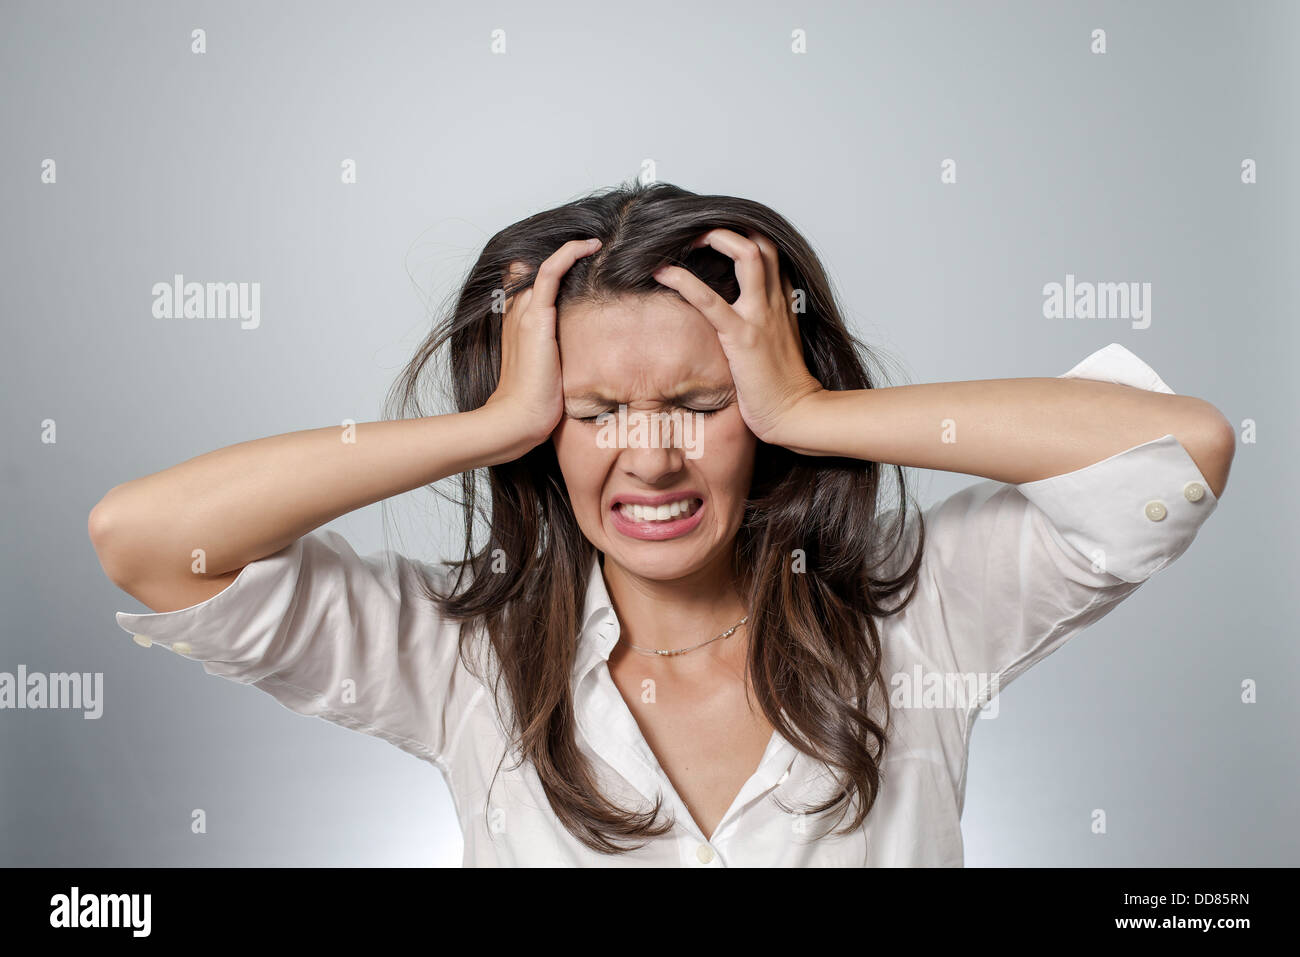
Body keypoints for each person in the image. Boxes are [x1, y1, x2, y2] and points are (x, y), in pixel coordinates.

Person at [89, 181, 1234, 866]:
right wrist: (487, 428)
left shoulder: (922, 613)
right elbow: (145, 539)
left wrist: (814, 408)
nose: (650, 456)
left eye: (699, 405)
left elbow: (1181, 447)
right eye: (593, 412)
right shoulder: (458, 656)